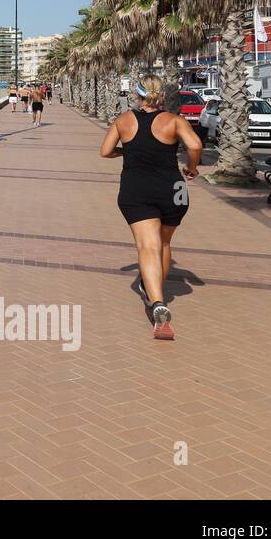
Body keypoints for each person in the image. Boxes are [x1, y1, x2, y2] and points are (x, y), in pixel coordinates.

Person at [99, 74, 203, 340]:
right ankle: (157, 292)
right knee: (164, 244)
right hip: (174, 191)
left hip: (137, 190)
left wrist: (128, 151)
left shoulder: (124, 121)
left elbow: (105, 151)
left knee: (148, 246)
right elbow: (195, 144)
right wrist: (192, 169)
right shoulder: (175, 121)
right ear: (162, 95)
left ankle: (157, 302)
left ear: (138, 94)